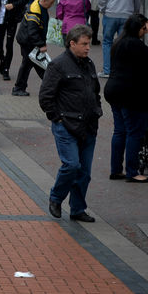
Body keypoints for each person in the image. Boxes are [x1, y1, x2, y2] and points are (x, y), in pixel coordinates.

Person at [39, 26, 101, 222]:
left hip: (88, 125)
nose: (88, 47)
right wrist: (56, 117)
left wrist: (97, 110)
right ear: (72, 43)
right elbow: (45, 96)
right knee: (72, 165)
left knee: (84, 172)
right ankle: (56, 198)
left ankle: (77, 209)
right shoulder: (58, 65)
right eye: (84, 44)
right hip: (66, 125)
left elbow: (95, 91)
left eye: (89, 43)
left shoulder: (89, 64)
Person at [105, 14, 148, 182]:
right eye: (145, 27)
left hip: (114, 90)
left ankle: (116, 169)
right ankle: (132, 171)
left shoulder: (119, 42)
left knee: (120, 130)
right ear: (140, 28)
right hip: (131, 94)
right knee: (134, 132)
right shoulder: (136, 45)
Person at [96, 0, 142, 77]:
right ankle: (123, 69)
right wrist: (135, 13)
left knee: (107, 42)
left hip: (110, 15)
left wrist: (103, 9)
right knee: (124, 43)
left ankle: (108, 70)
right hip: (127, 16)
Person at [13, 0, 57, 97]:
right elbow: (32, 32)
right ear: (45, 1)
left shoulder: (39, 6)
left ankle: (20, 87)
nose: (52, 5)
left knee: (33, 64)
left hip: (30, 41)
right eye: (51, 3)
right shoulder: (35, 13)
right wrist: (41, 44)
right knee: (35, 65)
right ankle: (50, 88)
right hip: (28, 42)